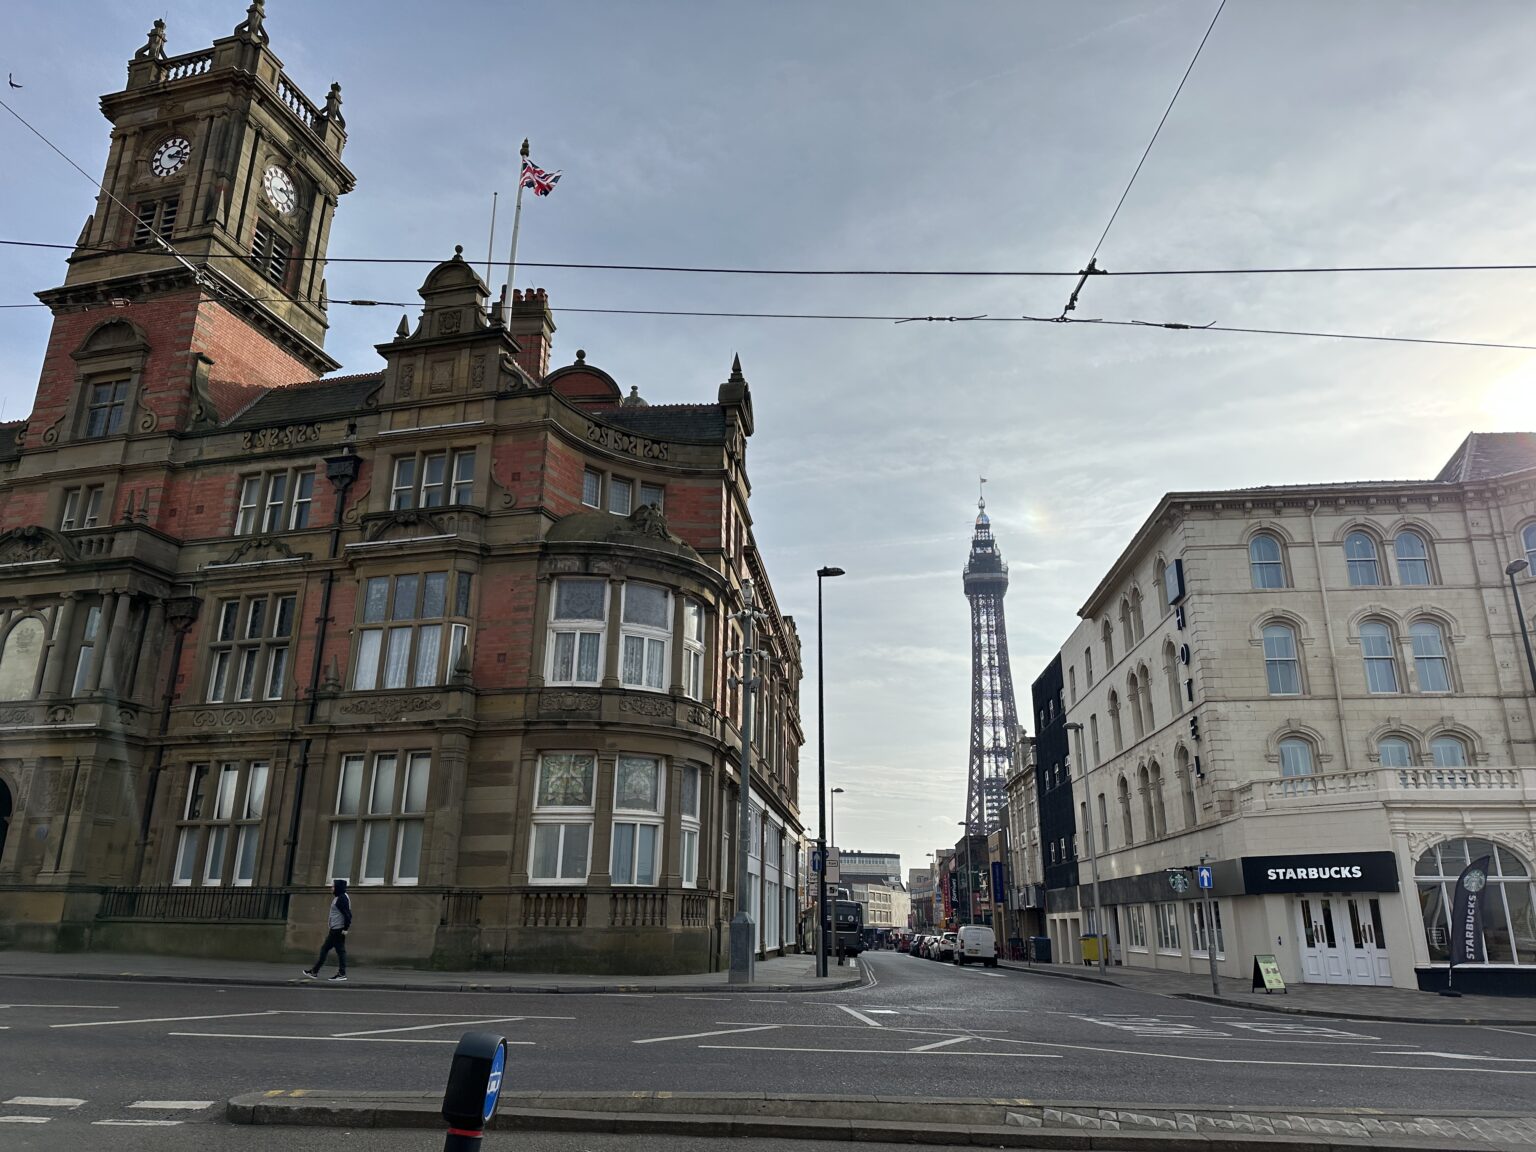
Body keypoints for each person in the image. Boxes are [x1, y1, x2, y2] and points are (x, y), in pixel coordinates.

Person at [303, 878, 351, 982]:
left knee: (326, 949)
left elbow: (348, 915)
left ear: (338, 887)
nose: (331, 888)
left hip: (337, 930)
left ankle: (315, 971)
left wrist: (345, 929)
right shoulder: (340, 897)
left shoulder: (341, 899)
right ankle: (340, 973)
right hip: (337, 929)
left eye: (333, 886)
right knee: (340, 951)